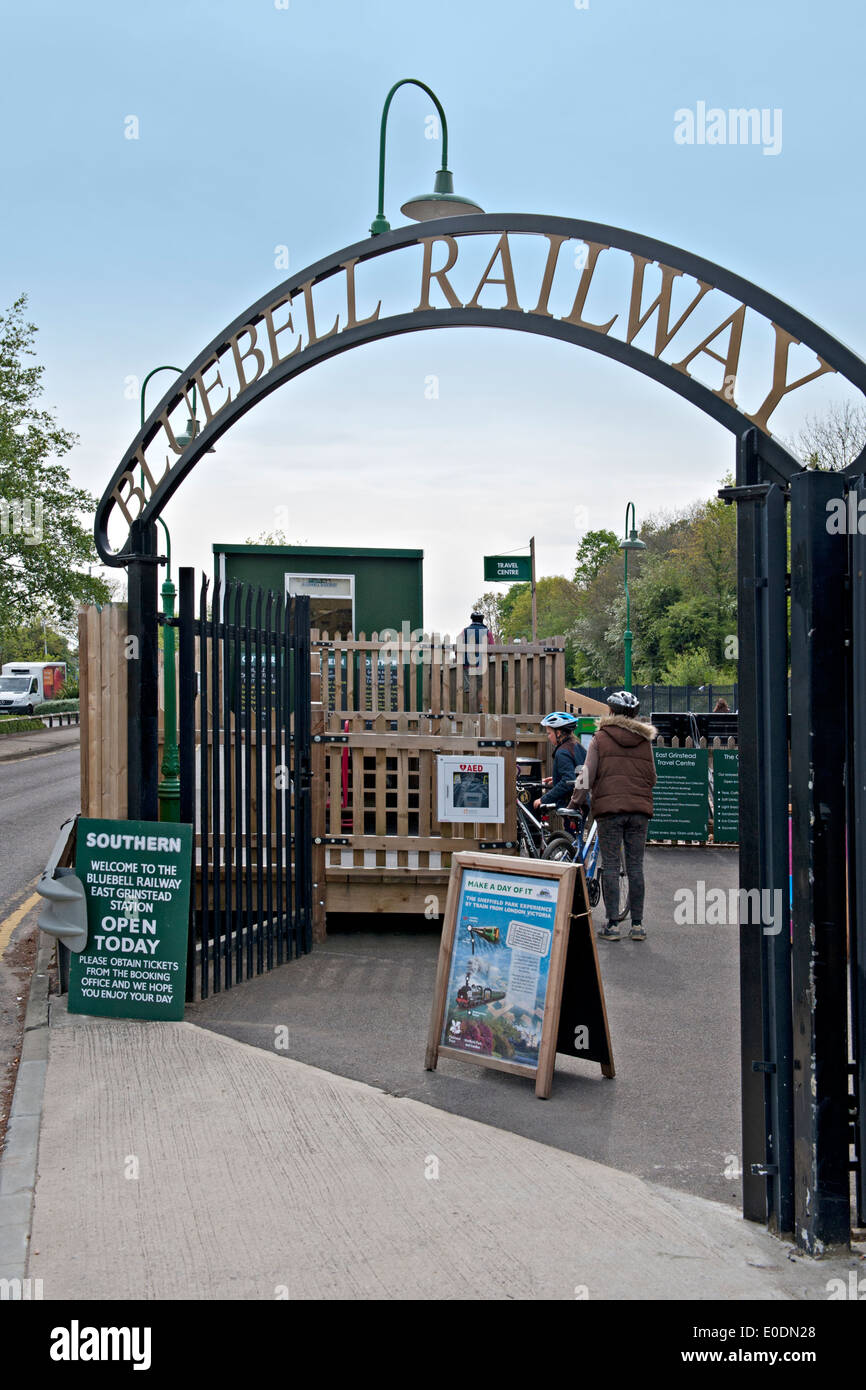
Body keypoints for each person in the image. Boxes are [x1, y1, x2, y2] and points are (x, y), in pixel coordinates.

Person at [568, 690, 656, 943]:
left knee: (611, 866)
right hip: (639, 811)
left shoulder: (600, 738)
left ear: (610, 712)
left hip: (609, 812)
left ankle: (613, 925)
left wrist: (575, 800)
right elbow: (652, 778)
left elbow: (587, 774)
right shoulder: (644, 740)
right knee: (635, 866)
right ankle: (637, 926)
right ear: (635, 715)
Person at [534, 712, 586, 816]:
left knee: (569, 832)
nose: (548, 737)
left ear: (558, 733)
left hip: (570, 804)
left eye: (549, 733)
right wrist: (556, 778)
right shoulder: (577, 746)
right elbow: (580, 773)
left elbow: (568, 781)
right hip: (583, 801)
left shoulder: (562, 752)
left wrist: (543, 799)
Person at [459, 610, 494, 712]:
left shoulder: (464, 631)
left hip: (467, 663)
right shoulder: (487, 632)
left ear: (472, 619)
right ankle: (480, 708)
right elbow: (491, 648)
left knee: (468, 687)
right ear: (482, 619)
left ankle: (470, 708)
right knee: (480, 687)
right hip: (481, 664)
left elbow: (459, 643)